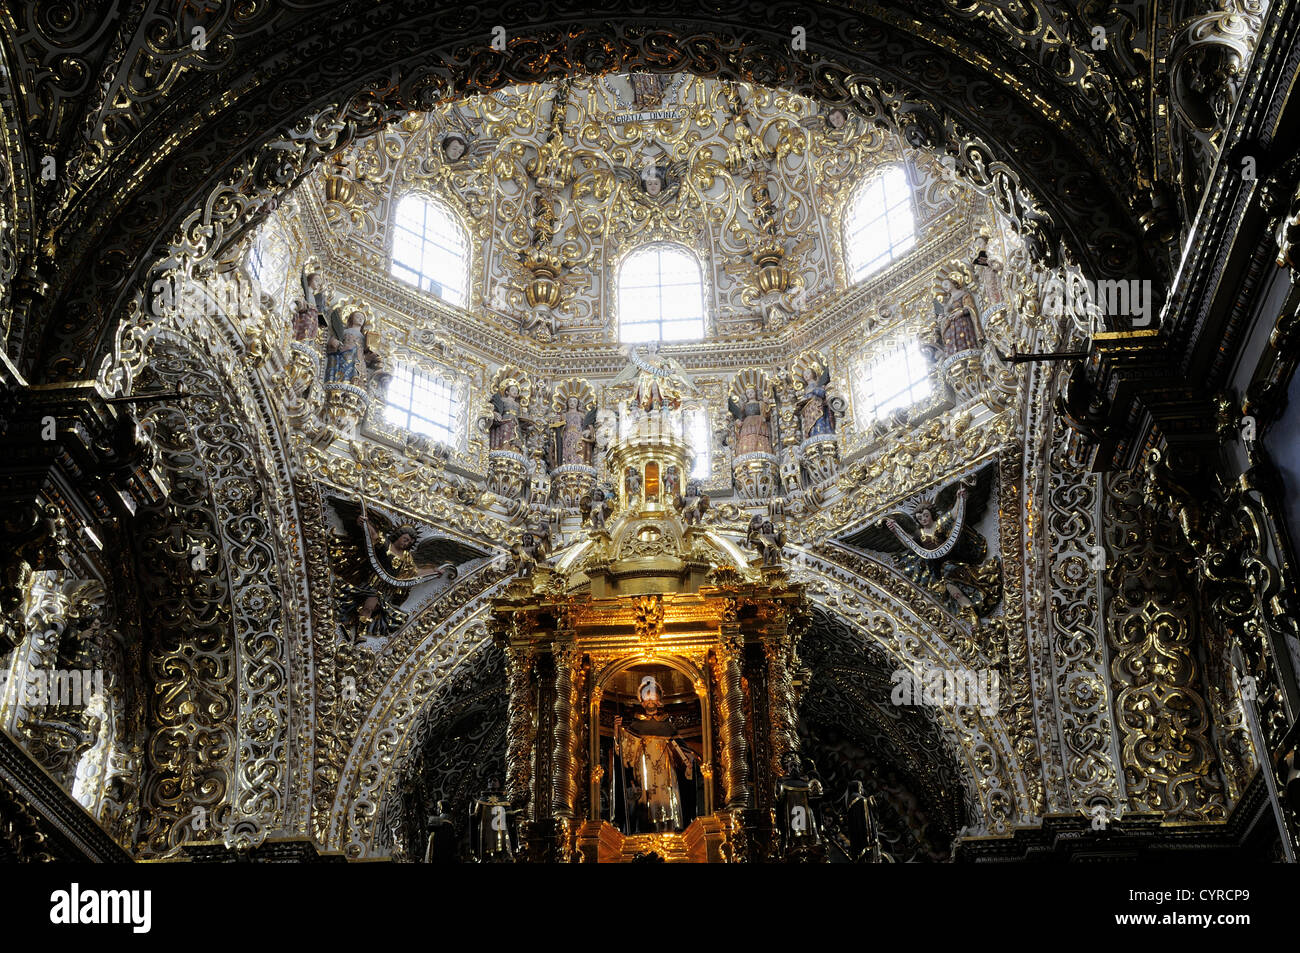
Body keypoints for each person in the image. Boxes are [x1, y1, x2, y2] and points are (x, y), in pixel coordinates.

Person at [615, 676, 693, 833]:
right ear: (642, 701)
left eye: (652, 695)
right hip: (645, 775)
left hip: (666, 775)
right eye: (646, 695)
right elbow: (624, 752)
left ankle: (669, 831)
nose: (650, 699)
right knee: (646, 807)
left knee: (667, 803)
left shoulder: (668, 726)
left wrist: (689, 763)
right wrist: (617, 731)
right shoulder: (635, 725)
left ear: (659, 700)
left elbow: (681, 750)